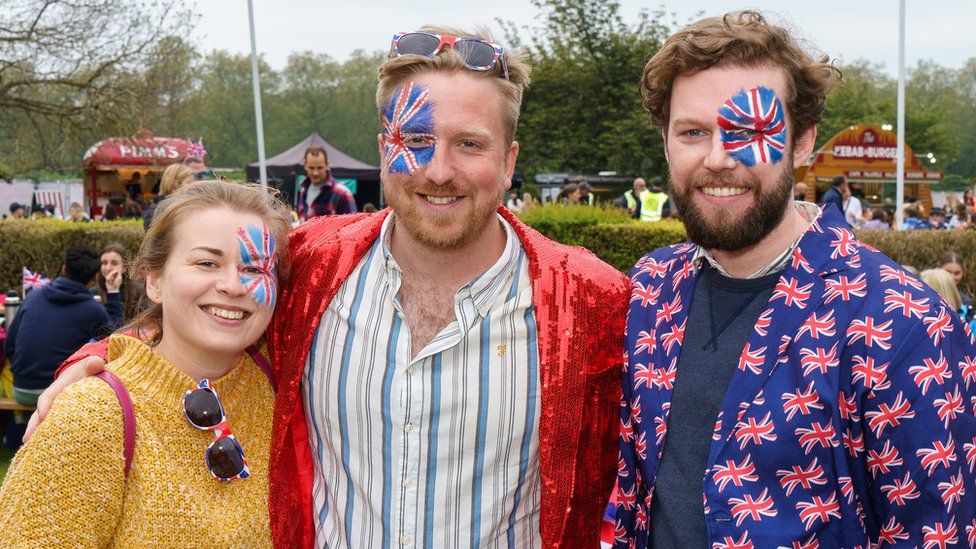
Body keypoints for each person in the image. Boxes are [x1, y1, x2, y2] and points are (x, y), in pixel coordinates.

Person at [42, 26, 629, 548]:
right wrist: (98, 356)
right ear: (383, 148)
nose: (439, 169)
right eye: (416, 141)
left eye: (469, 144)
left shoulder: (591, 301)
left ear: (508, 161)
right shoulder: (309, 265)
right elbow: (206, 302)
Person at [613, 10, 976, 547]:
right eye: (693, 132)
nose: (717, 158)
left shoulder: (901, 320)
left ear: (801, 143)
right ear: (666, 141)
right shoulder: (649, 287)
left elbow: (936, 533)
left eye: (747, 132)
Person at [0, 181, 290, 545]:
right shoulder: (90, 418)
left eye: (253, 269)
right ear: (154, 281)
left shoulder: (284, 390)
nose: (233, 285)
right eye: (206, 262)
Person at [3, 245, 113, 406]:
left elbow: (9, 346)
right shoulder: (93, 310)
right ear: (95, 277)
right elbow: (115, 343)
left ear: (63, 269)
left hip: (21, 388)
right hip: (59, 393)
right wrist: (114, 294)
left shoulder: (33, 296)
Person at [295, 146, 357, 221]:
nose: (315, 173)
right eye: (311, 168)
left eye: (319, 168)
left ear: (327, 165)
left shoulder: (342, 193)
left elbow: (353, 227)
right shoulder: (303, 192)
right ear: (305, 165)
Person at [95, 243, 142, 325]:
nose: (108, 268)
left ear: (124, 268)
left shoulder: (138, 291)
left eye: (114, 263)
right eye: (104, 263)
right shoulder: (94, 292)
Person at [144, 163, 195, 229]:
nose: (193, 186)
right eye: (189, 183)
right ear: (175, 183)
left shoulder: (187, 204)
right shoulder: (157, 211)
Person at [939, 251, 974, 315]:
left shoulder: (966, 302)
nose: (952, 277)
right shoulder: (926, 295)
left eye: (957, 273)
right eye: (947, 272)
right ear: (938, 270)